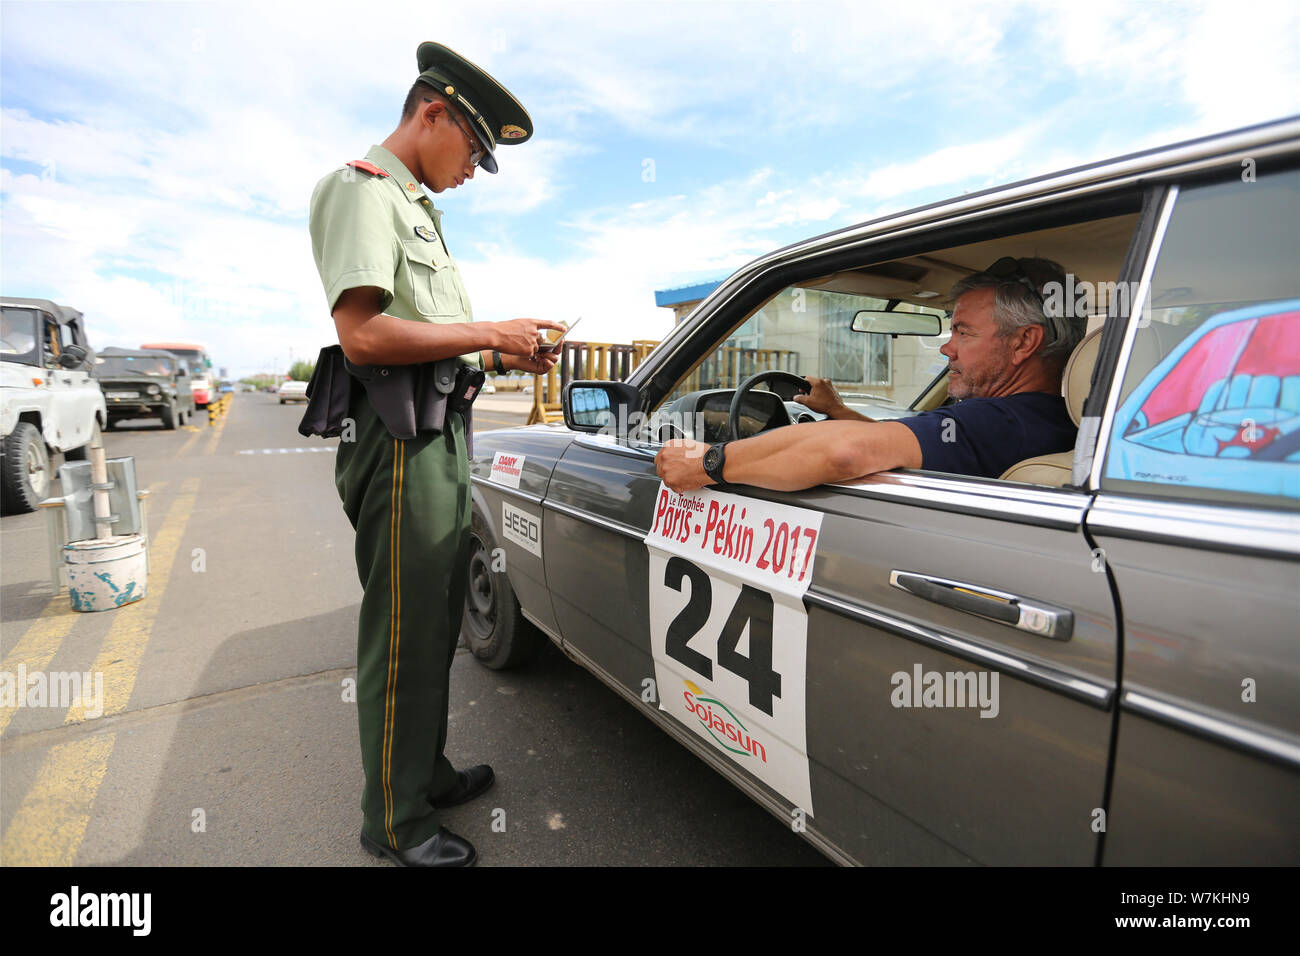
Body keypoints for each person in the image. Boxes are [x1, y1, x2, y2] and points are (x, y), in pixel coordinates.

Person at [308, 41, 563, 867]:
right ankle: (394, 819)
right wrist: (488, 328)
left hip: (441, 430)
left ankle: (421, 771)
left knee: (440, 614)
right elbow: (365, 334)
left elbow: (430, 345)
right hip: (397, 442)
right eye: (476, 150)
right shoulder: (362, 192)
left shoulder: (415, 209)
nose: (473, 170)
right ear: (433, 113)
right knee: (406, 628)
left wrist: (496, 356)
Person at [655, 257, 1085, 492]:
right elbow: (905, 441)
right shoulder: (1049, 419)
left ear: (1023, 343)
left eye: (963, 331)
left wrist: (707, 462)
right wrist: (838, 410)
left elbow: (843, 453)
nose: (946, 346)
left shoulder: (1001, 421)